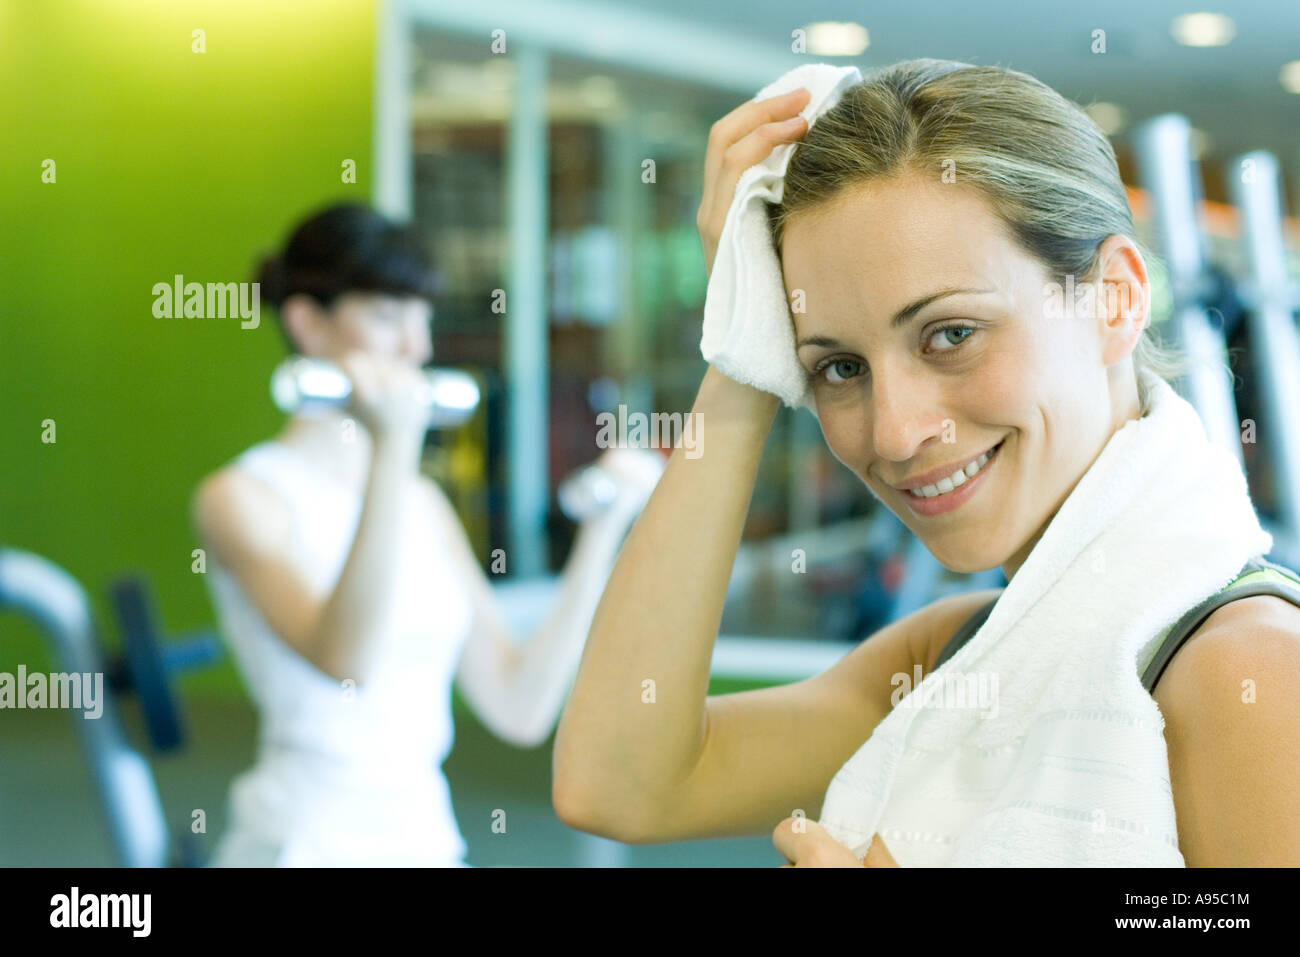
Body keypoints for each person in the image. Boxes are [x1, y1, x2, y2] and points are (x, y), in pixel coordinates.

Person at [552, 60, 1300, 867]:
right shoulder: (952, 655)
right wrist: (740, 360)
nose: (896, 431)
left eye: (950, 334)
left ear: (1114, 296)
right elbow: (620, 783)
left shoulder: (1245, 666)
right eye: (838, 366)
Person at [192, 203, 661, 866]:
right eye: (388, 316)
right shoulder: (241, 498)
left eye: (422, 318)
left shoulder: (420, 502)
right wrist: (393, 448)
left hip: (426, 841)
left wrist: (603, 530)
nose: (418, 348)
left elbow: (519, 706)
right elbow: (345, 659)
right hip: (303, 841)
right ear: (307, 322)